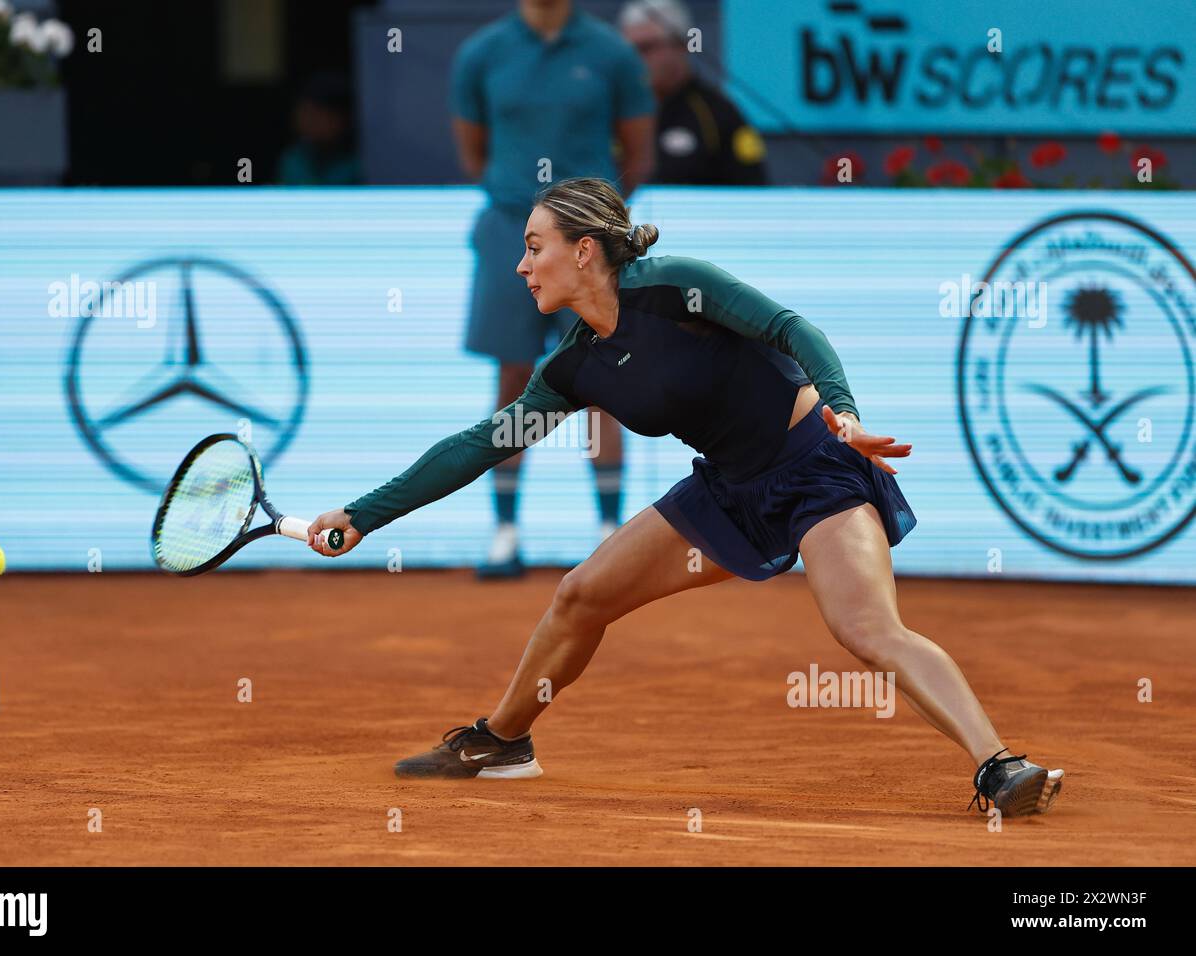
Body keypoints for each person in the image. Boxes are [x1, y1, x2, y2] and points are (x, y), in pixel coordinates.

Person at [305, 177, 1064, 818]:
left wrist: (845, 411)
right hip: (725, 492)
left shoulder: (676, 287)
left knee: (866, 628)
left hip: (814, 469)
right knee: (580, 596)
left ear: (585, 250)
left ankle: (997, 765)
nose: (521, 266)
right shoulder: (573, 370)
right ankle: (502, 739)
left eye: (534, 247)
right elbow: (480, 444)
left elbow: (791, 328)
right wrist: (363, 515)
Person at [450, 0, 655, 577]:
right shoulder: (482, 53)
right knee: (513, 378)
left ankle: (610, 537)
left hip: (591, 242)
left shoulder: (611, 52)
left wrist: (586, 218)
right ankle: (505, 534)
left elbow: (637, 152)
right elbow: (474, 155)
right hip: (509, 229)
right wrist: (530, 218)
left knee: (603, 380)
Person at [619, 0, 768, 185]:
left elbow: (751, 192)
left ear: (681, 44)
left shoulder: (716, 114)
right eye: (628, 50)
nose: (635, 59)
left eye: (646, 48)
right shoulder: (611, 111)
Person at [276, 73, 361, 186]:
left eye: (316, 115)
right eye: (304, 113)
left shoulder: (359, 164)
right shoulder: (292, 160)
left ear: (341, 119)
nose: (307, 122)